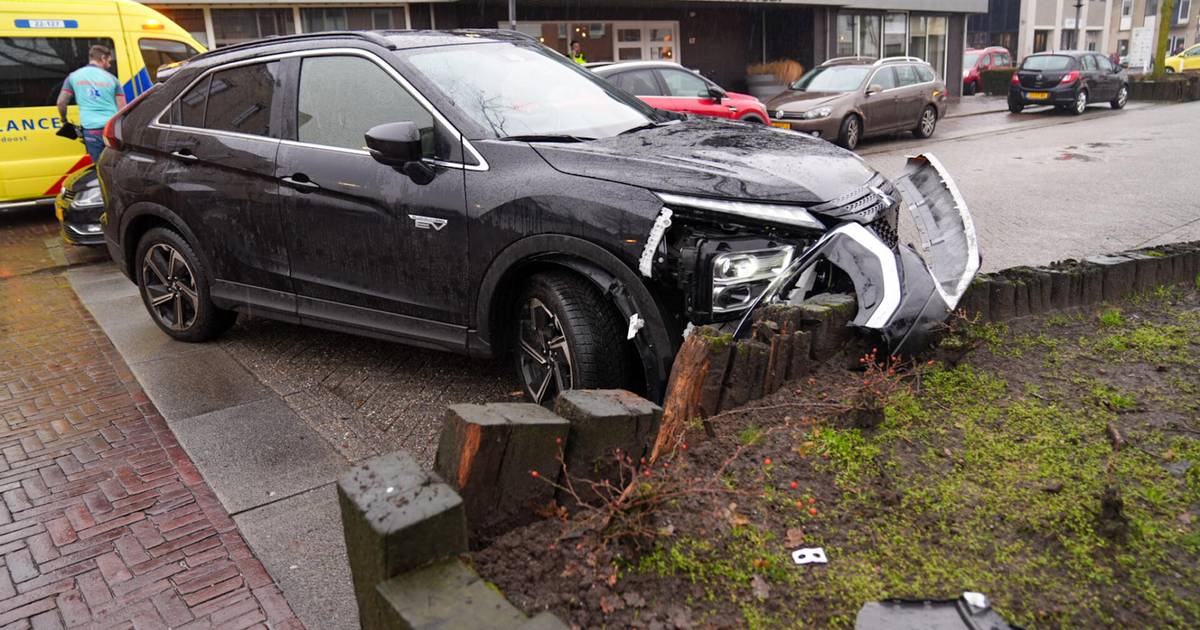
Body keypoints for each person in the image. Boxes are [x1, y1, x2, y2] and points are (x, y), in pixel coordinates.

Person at [57, 45, 125, 166]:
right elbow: (122, 107)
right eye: (109, 61)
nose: (109, 65)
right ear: (103, 58)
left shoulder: (73, 77)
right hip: (111, 129)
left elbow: (61, 102)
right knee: (116, 166)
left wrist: (64, 119)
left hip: (91, 131)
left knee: (100, 168)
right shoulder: (113, 79)